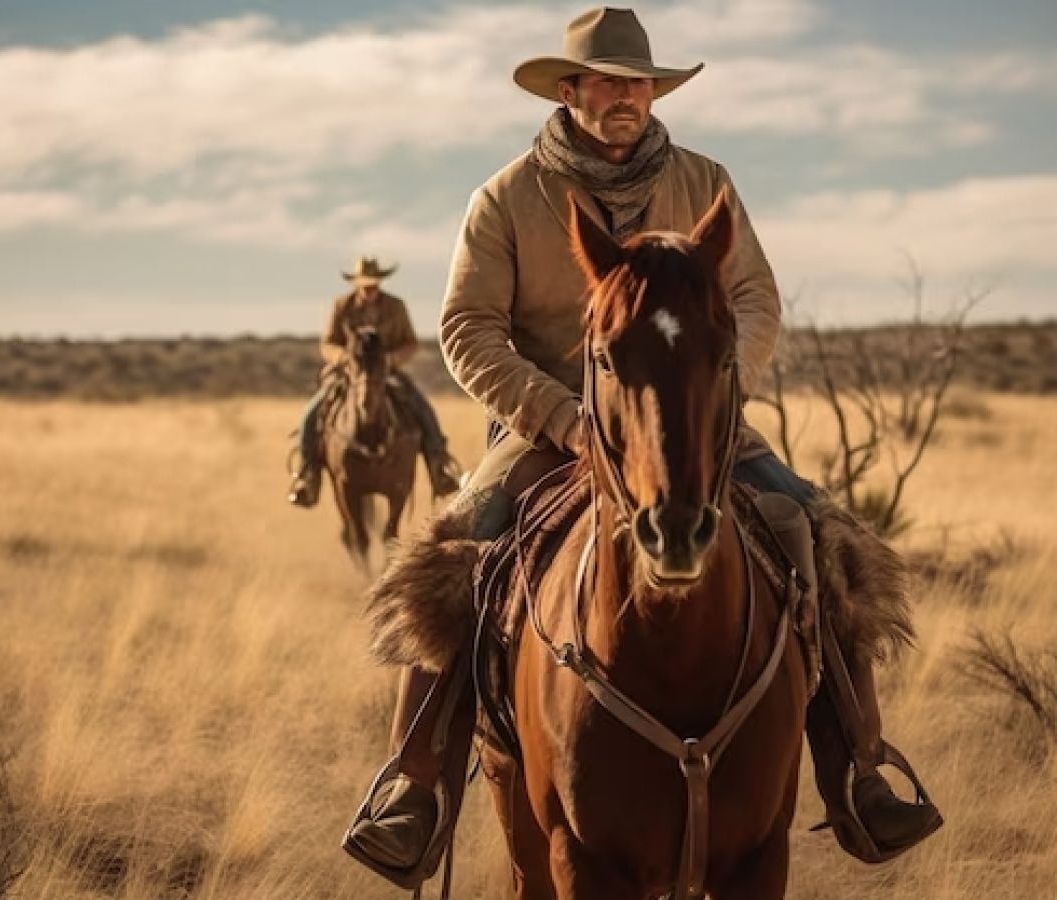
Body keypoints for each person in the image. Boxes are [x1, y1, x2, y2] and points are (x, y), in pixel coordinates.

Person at [344, 6, 941, 887]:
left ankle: (859, 767)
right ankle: (416, 785)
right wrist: (563, 415)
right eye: (608, 82)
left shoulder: (708, 184)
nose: (626, 97)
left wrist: (714, 381)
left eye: (640, 83)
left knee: (816, 530)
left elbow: (756, 302)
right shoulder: (508, 197)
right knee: (460, 552)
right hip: (554, 426)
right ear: (570, 91)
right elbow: (468, 329)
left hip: (696, 416)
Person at [288, 257, 461, 506]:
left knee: (422, 409)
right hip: (348, 373)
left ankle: (439, 468)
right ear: (356, 284)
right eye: (365, 285)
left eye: (374, 285)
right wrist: (346, 359)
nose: (370, 290)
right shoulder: (341, 306)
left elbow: (410, 342)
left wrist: (390, 360)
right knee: (310, 415)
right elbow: (327, 343)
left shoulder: (396, 307)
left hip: (387, 373)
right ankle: (308, 476)